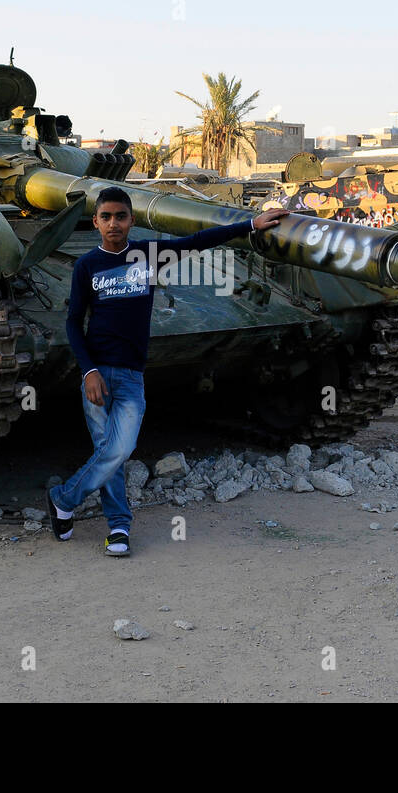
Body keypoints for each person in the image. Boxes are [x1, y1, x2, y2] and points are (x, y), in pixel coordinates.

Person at [48, 186, 289, 556]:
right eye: (106, 217)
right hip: (97, 374)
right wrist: (88, 371)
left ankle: (63, 497)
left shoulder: (148, 255)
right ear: (95, 221)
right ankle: (118, 527)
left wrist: (250, 224)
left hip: (129, 374)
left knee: (119, 449)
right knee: (106, 450)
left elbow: (197, 240)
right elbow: (72, 321)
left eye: (121, 216)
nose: (114, 223)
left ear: (131, 220)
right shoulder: (86, 266)